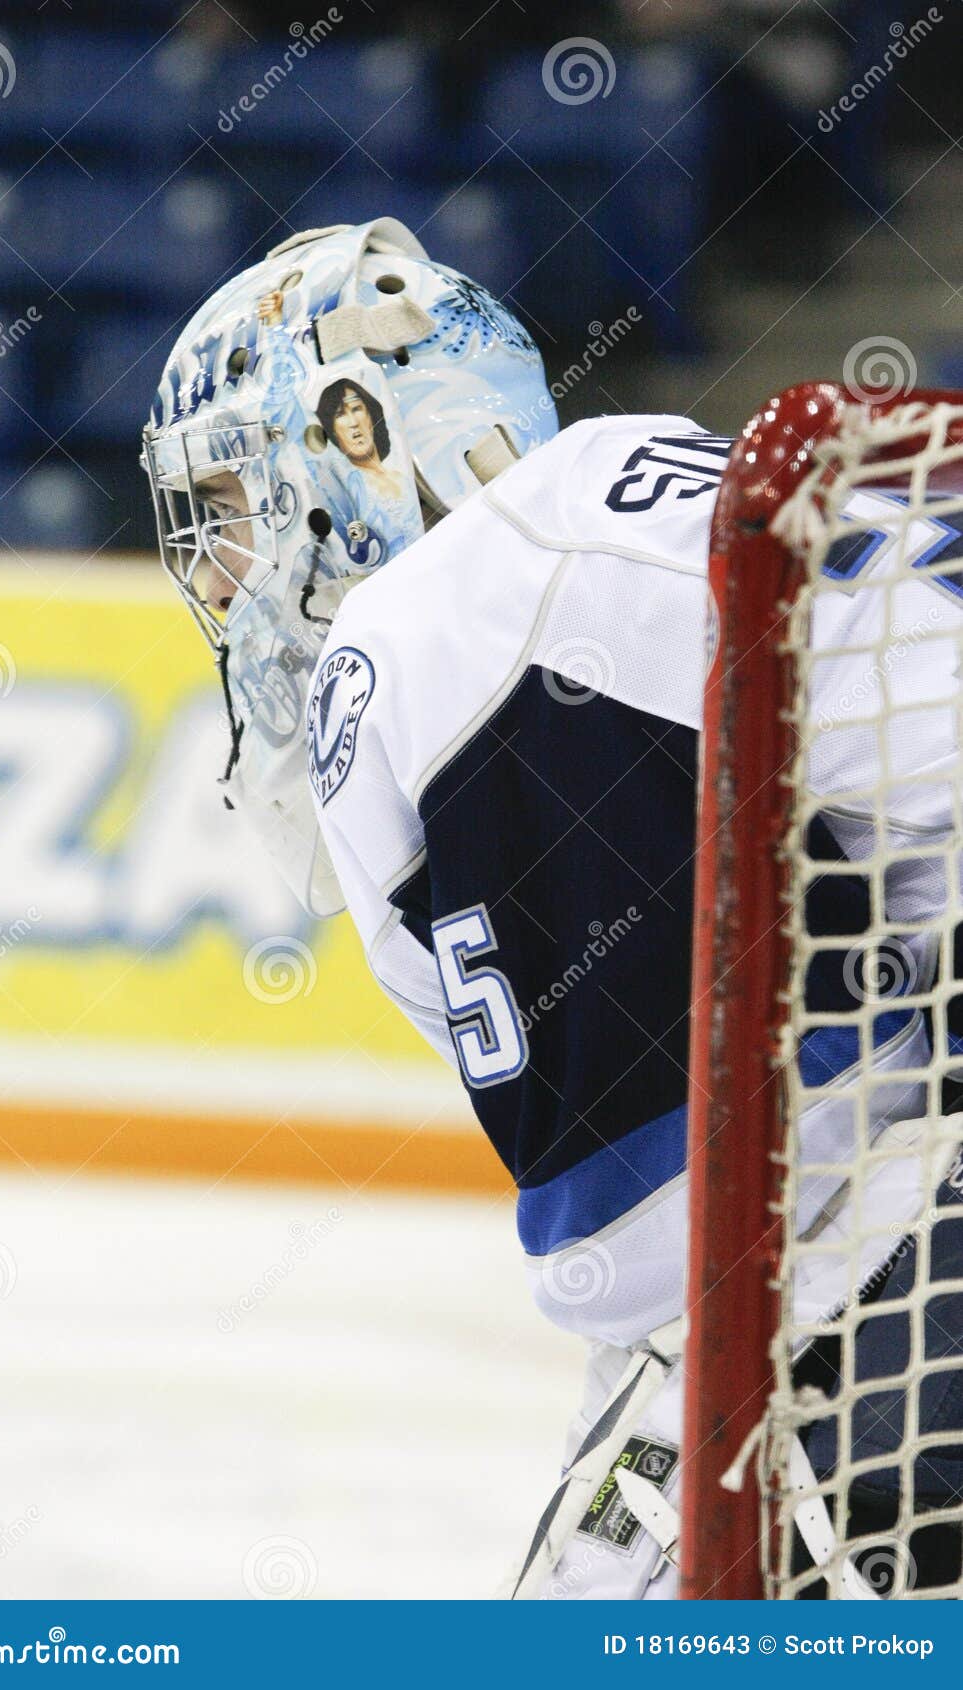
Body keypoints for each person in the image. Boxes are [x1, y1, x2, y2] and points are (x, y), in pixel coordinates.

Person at [142, 216, 963, 1598]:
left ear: (351, 435)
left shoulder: (448, 611)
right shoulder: (632, 513)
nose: (219, 576)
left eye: (227, 508)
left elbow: (668, 1229)